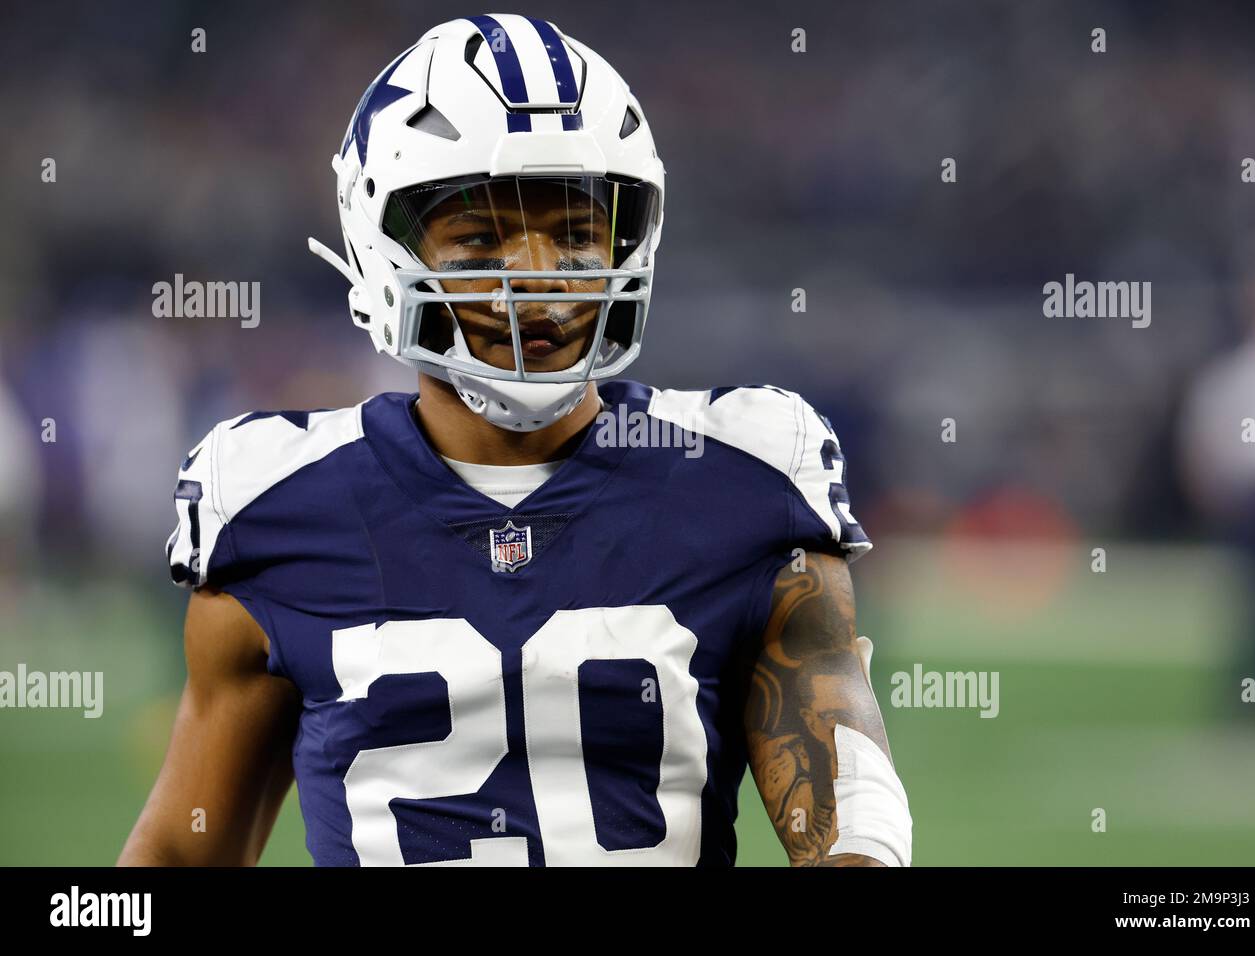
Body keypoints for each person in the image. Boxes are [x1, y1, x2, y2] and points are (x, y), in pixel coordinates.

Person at [119, 14, 910, 867]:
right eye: (479, 238)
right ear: (379, 247)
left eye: (574, 233)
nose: (537, 276)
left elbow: (850, 821)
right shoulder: (272, 507)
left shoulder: (748, 479)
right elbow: (178, 852)